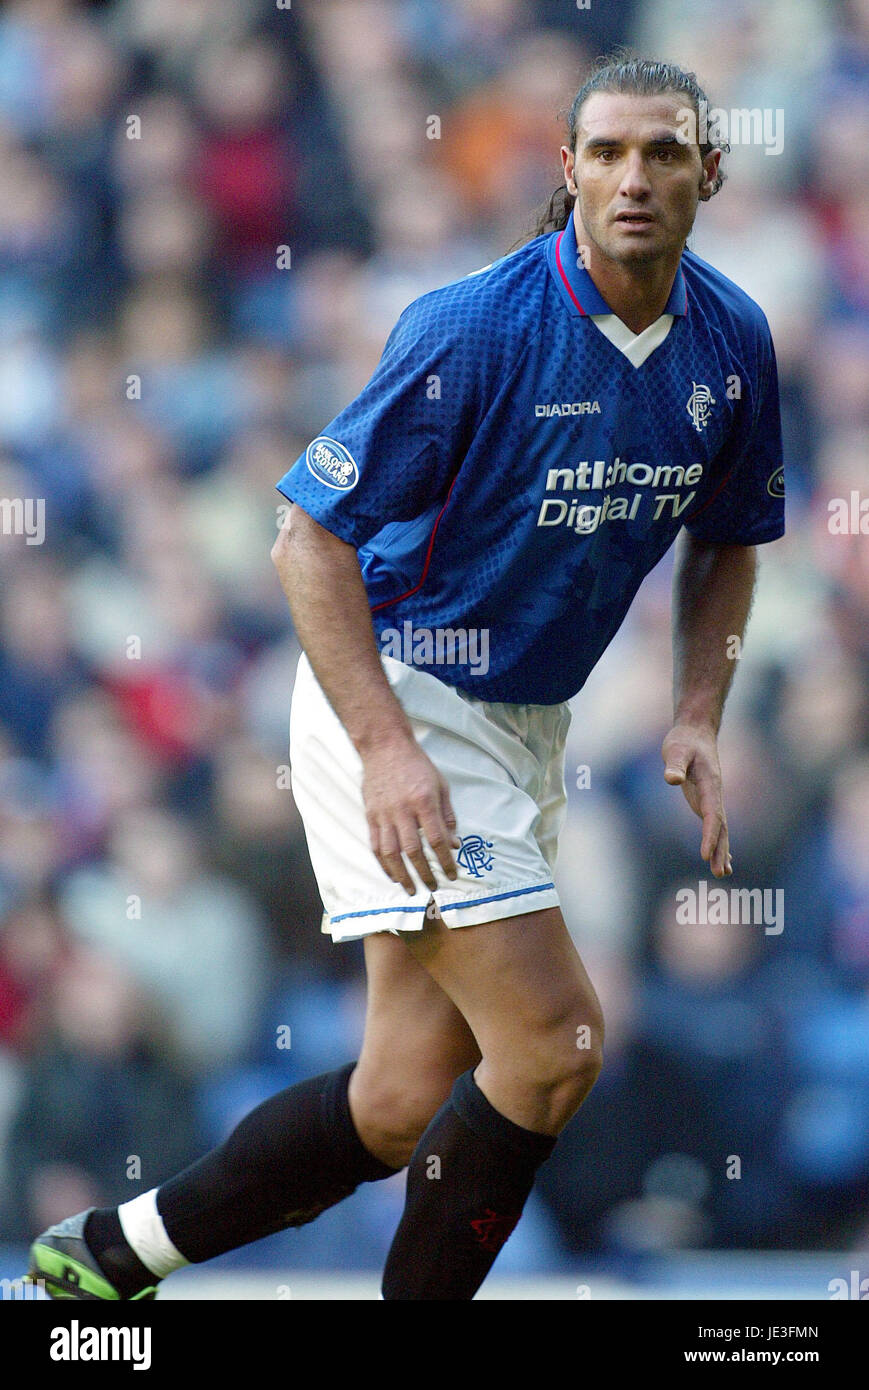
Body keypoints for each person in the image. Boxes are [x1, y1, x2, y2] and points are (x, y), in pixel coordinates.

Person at [28, 56, 784, 1302]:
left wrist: (698, 707)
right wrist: (387, 749)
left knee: (394, 1103)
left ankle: (111, 1255)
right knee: (554, 1043)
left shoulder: (733, 340)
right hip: (392, 693)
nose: (632, 178)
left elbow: (728, 539)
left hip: (526, 719)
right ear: (566, 170)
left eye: (661, 153)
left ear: (710, 170)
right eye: (605, 153)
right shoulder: (475, 326)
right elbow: (305, 537)